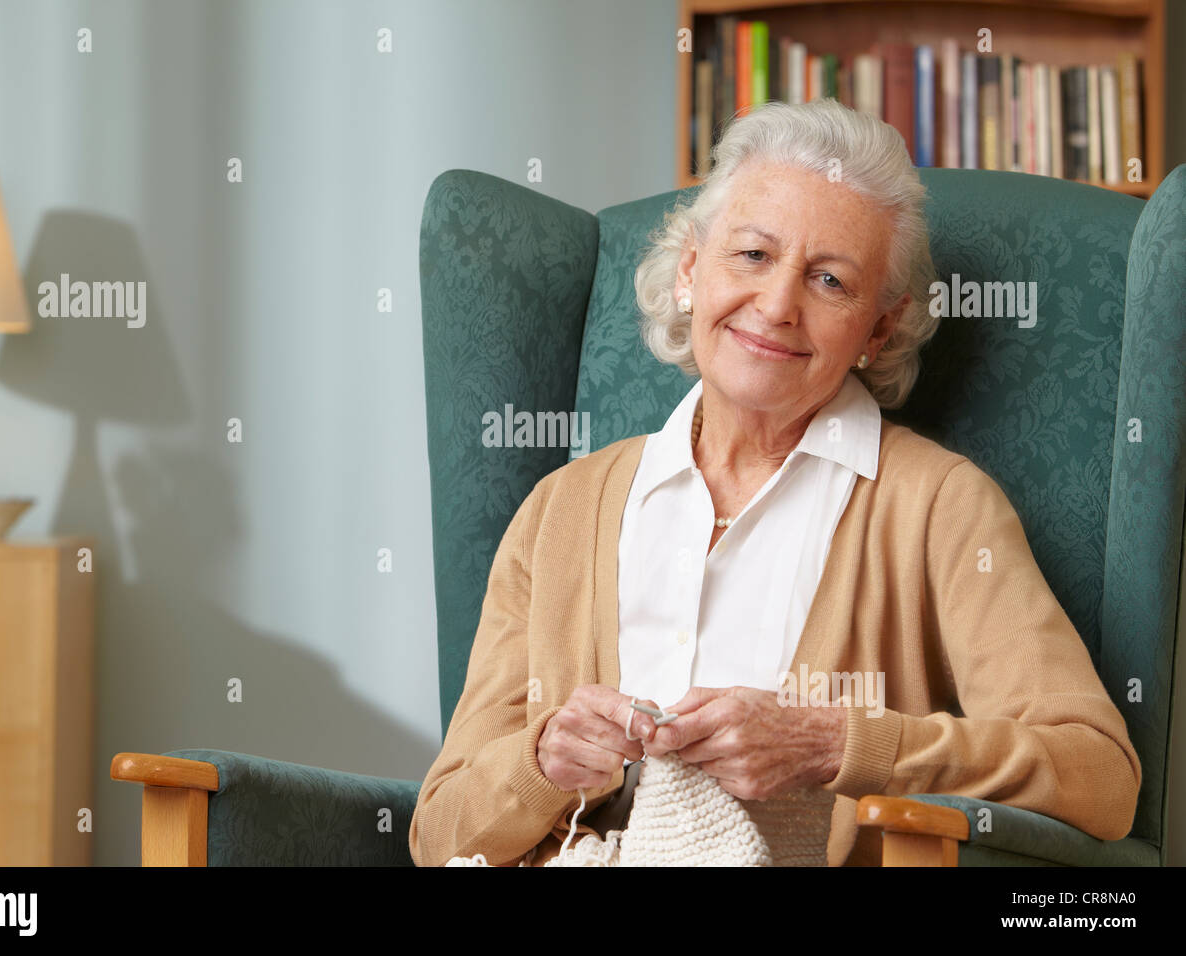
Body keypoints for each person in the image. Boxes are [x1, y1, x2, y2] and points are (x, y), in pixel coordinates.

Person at [408, 98, 1141, 867]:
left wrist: (837, 744)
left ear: (879, 329)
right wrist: (542, 763)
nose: (778, 305)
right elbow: (436, 834)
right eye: (752, 256)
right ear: (692, 269)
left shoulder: (939, 505)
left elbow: (1098, 774)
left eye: (829, 280)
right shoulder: (561, 509)